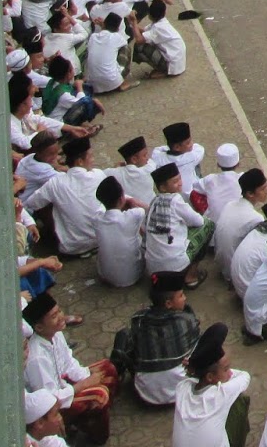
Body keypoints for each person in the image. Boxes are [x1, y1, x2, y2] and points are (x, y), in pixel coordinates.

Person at [23, 291, 119, 445]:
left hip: (65, 385)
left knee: (108, 370)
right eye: (54, 316)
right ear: (39, 327)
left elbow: (68, 363)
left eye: (59, 311)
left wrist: (86, 375)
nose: (61, 317)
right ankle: (93, 437)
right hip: (56, 405)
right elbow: (50, 399)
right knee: (99, 396)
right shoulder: (36, 358)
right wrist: (83, 385)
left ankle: (92, 418)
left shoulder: (55, 333)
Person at [112, 269, 202, 406]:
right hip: (180, 391)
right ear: (168, 304)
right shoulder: (186, 320)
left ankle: (115, 374)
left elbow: (133, 349)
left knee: (123, 334)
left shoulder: (138, 319)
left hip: (145, 393)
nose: (185, 298)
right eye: (181, 295)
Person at [23, 137, 107, 255]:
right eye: (91, 157)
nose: (93, 160)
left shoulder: (55, 183)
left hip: (72, 248)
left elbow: (30, 204)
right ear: (79, 162)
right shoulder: (99, 175)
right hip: (102, 240)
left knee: (45, 203)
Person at [172, 323, 251, 447]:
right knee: (239, 400)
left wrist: (195, 368)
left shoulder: (182, 388)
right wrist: (194, 369)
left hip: (201, 374)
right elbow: (245, 376)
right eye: (226, 369)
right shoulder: (220, 394)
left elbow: (192, 378)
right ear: (209, 377)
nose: (230, 373)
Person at [145, 162, 207, 286]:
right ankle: (191, 277)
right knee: (208, 225)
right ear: (163, 187)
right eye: (175, 181)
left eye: (179, 179)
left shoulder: (154, 201)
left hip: (152, 268)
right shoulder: (175, 200)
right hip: (173, 264)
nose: (180, 183)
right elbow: (199, 221)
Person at [213, 168, 267, 277]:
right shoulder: (256, 218)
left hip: (221, 263)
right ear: (250, 194)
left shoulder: (230, 204)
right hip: (235, 272)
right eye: (263, 188)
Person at [94, 176, 147, 288]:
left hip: (106, 276)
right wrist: (130, 201)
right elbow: (146, 207)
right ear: (121, 199)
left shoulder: (97, 219)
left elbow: (101, 208)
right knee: (139, 234)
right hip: (133, 276)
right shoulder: (134, 215)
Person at [135, 0, 188, 78]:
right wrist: (132, 25)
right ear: (164, 12)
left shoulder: (158, 28)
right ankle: (163, 68)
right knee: (147, 42)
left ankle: (163, 71)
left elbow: (139, 40)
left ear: (149, 15)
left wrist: (133, 22)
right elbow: (144, 31)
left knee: (140, 47)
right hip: (177, 61)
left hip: (172, 64)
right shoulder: (161, 23)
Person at [199, 143, 244, 224]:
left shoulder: (209, 179)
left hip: (211, 225)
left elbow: (195, 188)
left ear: (218, 164)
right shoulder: (243, 179)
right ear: (238, 164)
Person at [109, 136, 157, 206]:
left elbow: (107, 173)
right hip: (151, 207)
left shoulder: (115, 173)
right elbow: (152, 163)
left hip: (129, 210)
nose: (147, 158)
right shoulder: (148, 169)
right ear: (134, 159)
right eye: (144, 155)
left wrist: (116, 167)